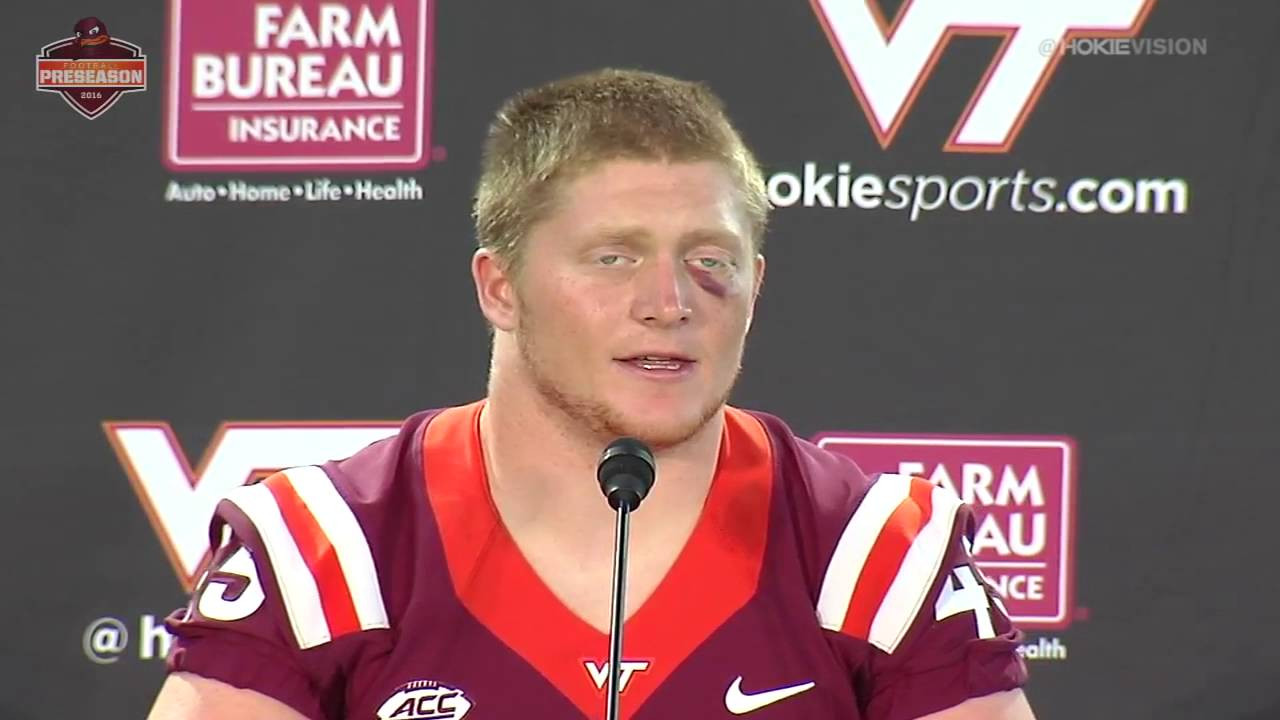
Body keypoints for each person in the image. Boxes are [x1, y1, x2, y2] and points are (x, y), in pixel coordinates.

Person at [146, 68, 1035, 720]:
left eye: (710, 262)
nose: (669, 302)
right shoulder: (322, 549)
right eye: (613, 259)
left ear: (756, 286)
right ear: (500, 288)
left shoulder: (879, 554)